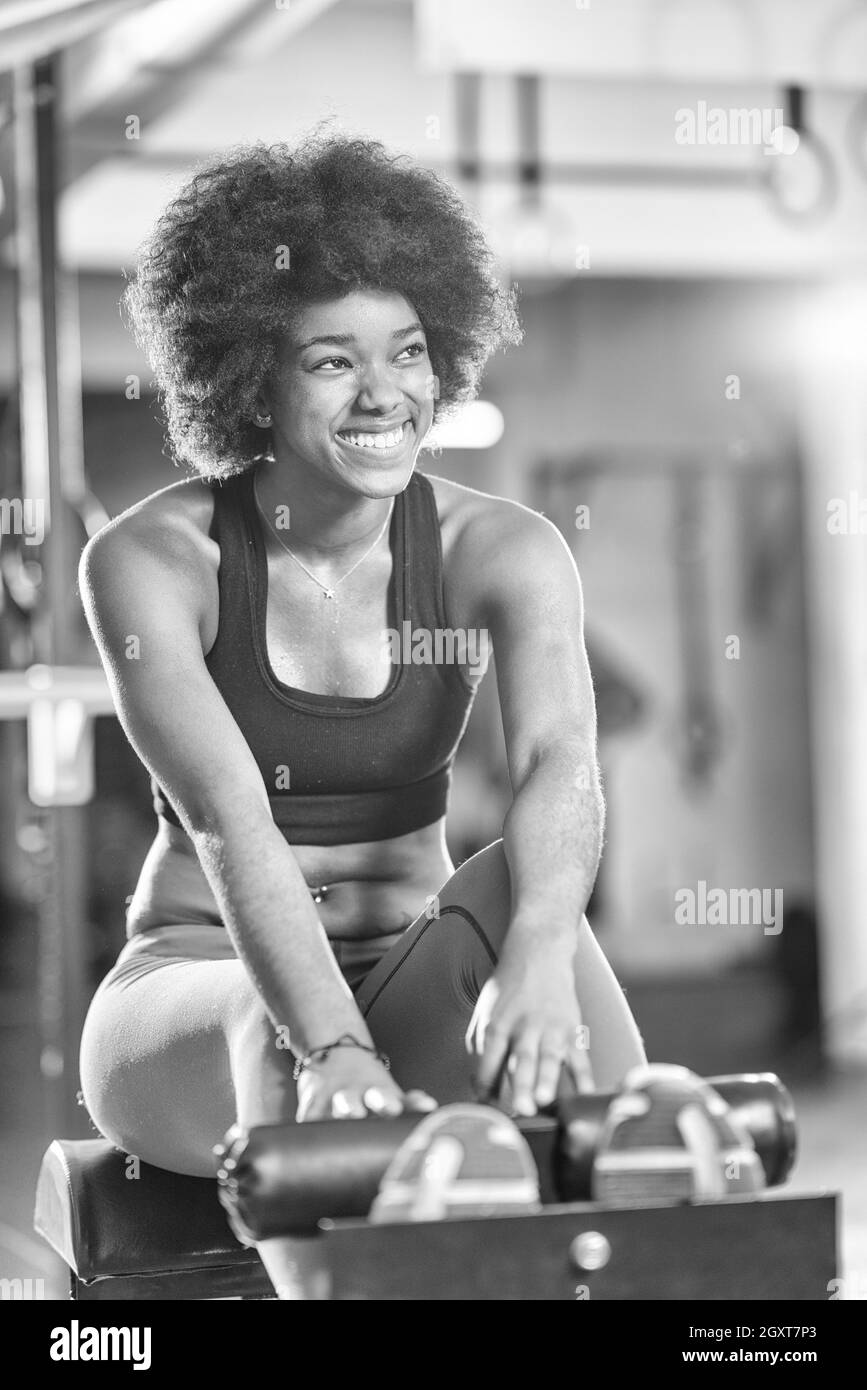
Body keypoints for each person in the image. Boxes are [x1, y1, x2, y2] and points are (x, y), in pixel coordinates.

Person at [78, 133, 646, 1291]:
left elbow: (558, 757)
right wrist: (333, 1044)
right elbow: (235, 823)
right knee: (271, 1022)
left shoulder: (504, 548)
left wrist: (537, 945)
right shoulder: (154, 560)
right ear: (251, 376)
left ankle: (648, 1265)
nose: (385, 393)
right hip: (194, 996)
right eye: (333, 360)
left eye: (411, 352)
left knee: (539, 934)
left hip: (405, 974)